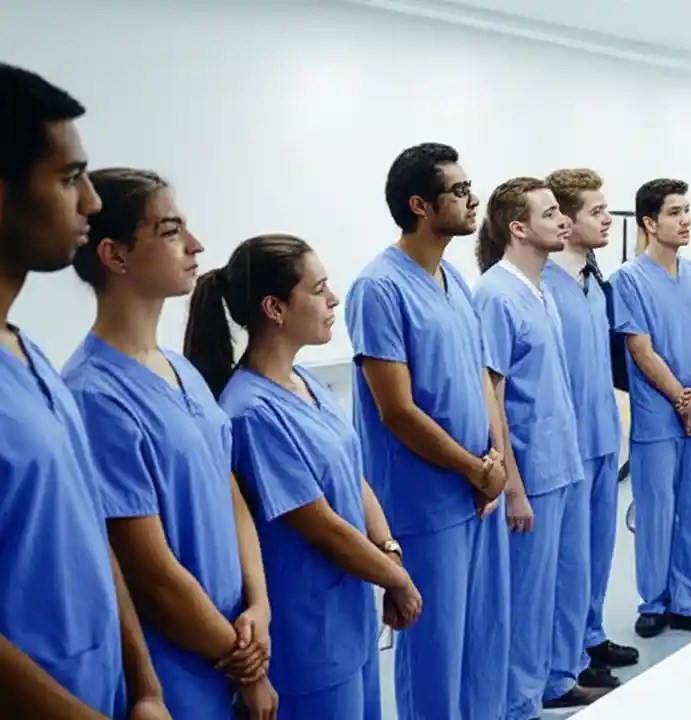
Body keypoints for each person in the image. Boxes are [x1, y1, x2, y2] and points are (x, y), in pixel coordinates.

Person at [64, 168, 277, 718]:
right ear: (115, 255)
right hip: (183, 666)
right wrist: (242, 661)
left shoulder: (180, 370)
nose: (196, 244)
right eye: (171, 230)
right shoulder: (95, 395)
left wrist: (259, 607)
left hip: (238, 638)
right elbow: (150, 574)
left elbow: (230, 494)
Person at [184, 234, 425, 718]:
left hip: (349, 619)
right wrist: (395, 580)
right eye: (318, 289)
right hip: (308, 638)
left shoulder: (305, 382)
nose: (333, 298)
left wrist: (389, 547)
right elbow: (320, 524)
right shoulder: (250, 412)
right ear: (274, 308)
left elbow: (353, 477)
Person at [0, 62, 169, 720]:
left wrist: (146, 686)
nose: (92, 203)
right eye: (70, 179)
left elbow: (91, 541)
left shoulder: (31, 360)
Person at [346, 142, 510, 720]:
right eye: (460, 191)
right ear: (420, 205)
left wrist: (495, 464)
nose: (472, 200)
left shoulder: (455, 282)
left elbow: (479, 381)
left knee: (480, 640)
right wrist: (473, 469)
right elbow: (396, 410)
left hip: (475, 494)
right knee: (434, 651)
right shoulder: (379, 288)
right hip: (425, 502)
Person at [473, 177, 609, 717]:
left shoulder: (542, 291)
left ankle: (556, 678)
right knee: (525, 597)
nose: (563, 221)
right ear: (518, 228)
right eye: (551, 213)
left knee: (565, 583)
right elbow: (493, 399)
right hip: (531, 470)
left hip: (564, 461)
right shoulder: (495, 295)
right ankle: (518, 698)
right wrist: (512, 487)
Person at [609, 178, 691, 639]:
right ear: (649, 222)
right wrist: (682, 399)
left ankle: (689, 601)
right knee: (656, 511)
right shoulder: (629, 281)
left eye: (688, 211)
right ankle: (654, 602)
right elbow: (641, 350)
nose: (685, 220)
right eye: (675, 212)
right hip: (658, 416)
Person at [543, 168, 639, 688]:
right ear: (565, 218)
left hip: (604, 434)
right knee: (569, 558)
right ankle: (565, 655)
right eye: (597, 211)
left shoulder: (593, 281)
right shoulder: (544, 287)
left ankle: (590, 633)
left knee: (599, 547)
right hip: (567, 445)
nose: (607, 219)